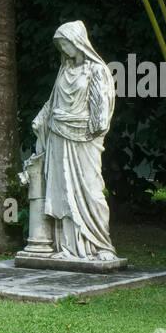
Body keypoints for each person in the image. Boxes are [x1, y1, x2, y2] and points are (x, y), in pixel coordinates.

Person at [24, 20, 117, 261]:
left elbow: (101, 115)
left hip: (84, 138)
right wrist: (41, 119)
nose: (63, 49)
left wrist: (83, 123)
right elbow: (53, 101)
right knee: (63, 190)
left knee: (91, 189)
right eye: (60, 45)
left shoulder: (97, 71)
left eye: (66, 43)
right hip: (58, 135)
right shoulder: (63, 70)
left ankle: (100, 245)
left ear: (78, 41)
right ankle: (67, 247)